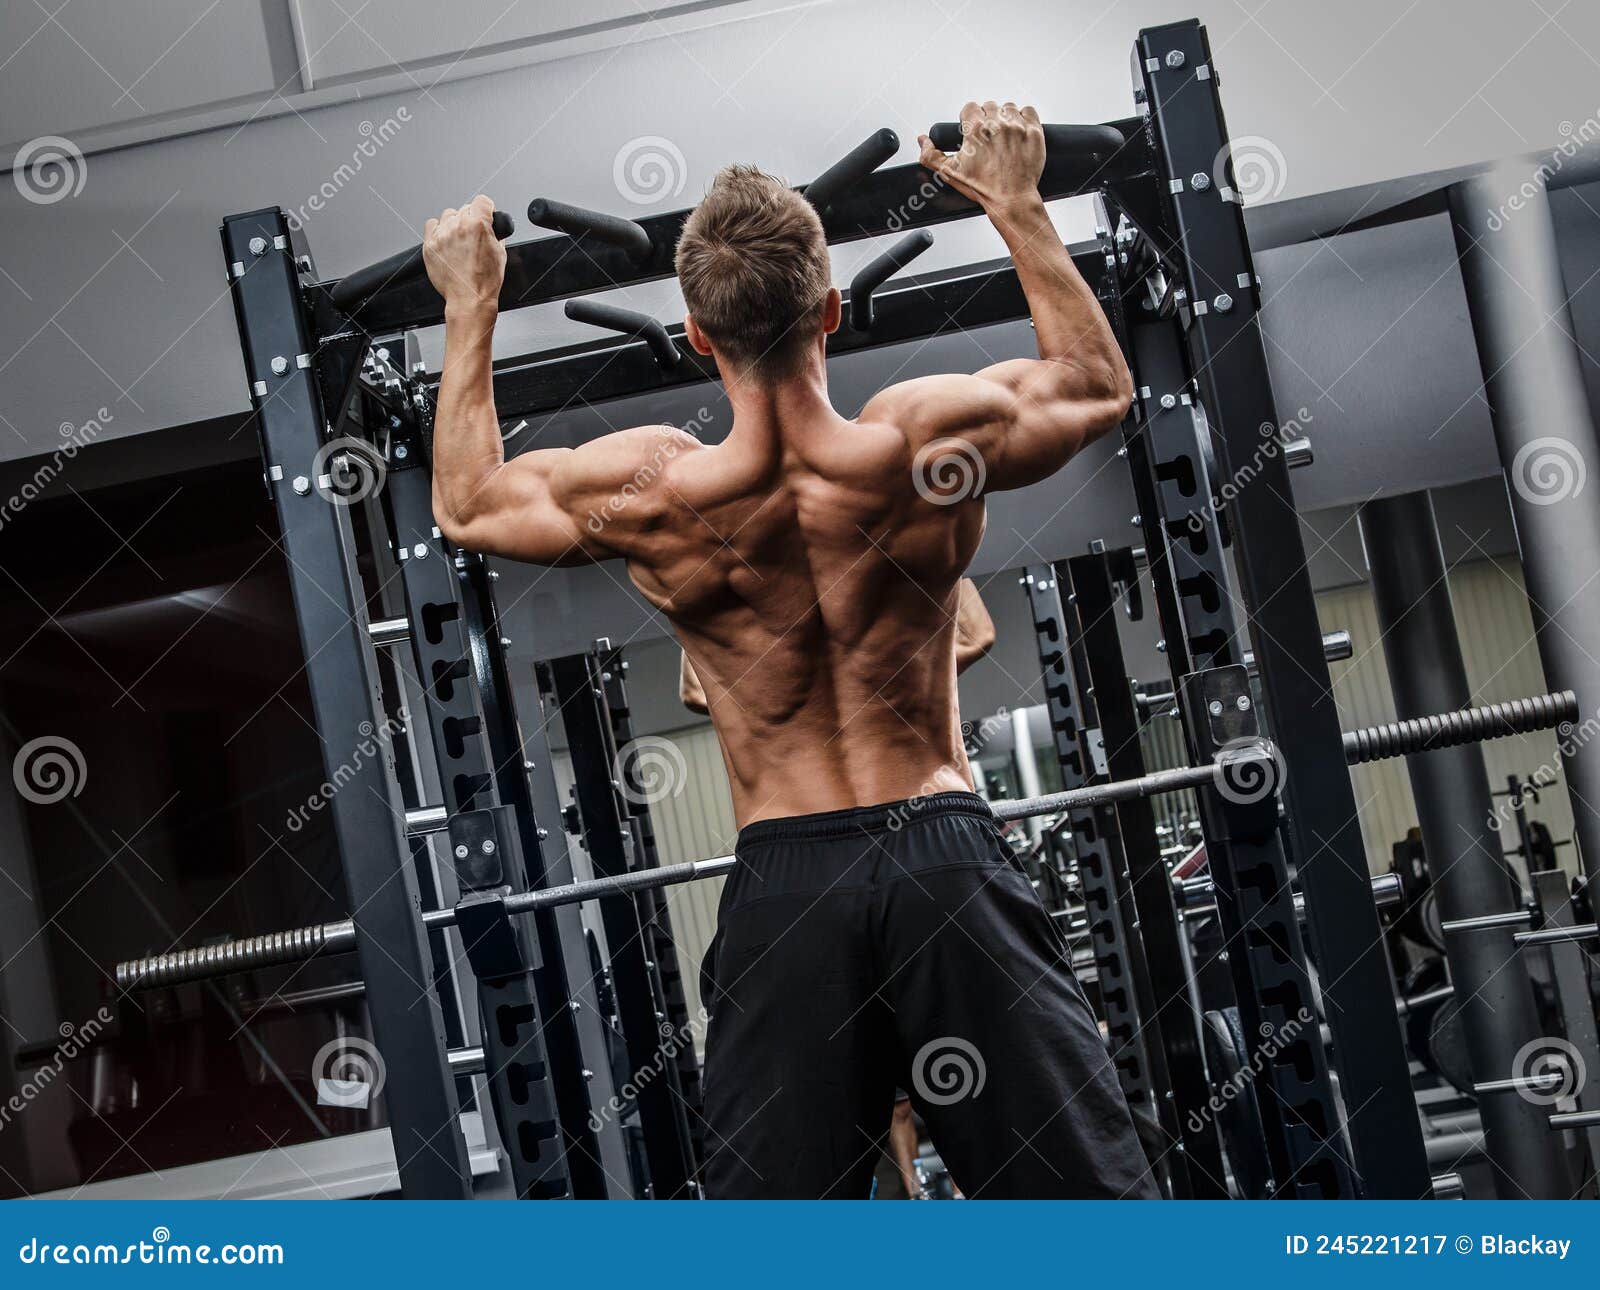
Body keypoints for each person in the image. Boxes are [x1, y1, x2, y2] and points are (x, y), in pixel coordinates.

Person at [422, 100, 1154, 1199]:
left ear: (700, 333)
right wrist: (1017, 207)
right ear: (834, 307)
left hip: (788, 882)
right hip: (940, 853)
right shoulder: (921, 440)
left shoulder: (657, 489)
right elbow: (1098, 385)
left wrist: (470, 306)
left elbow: (470, 505)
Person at [679, 577, 993, 714]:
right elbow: (977, 638)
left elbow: (696, 694)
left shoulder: (783, 694)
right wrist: (950, 554)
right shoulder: (885, 679)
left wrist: (691, 600)